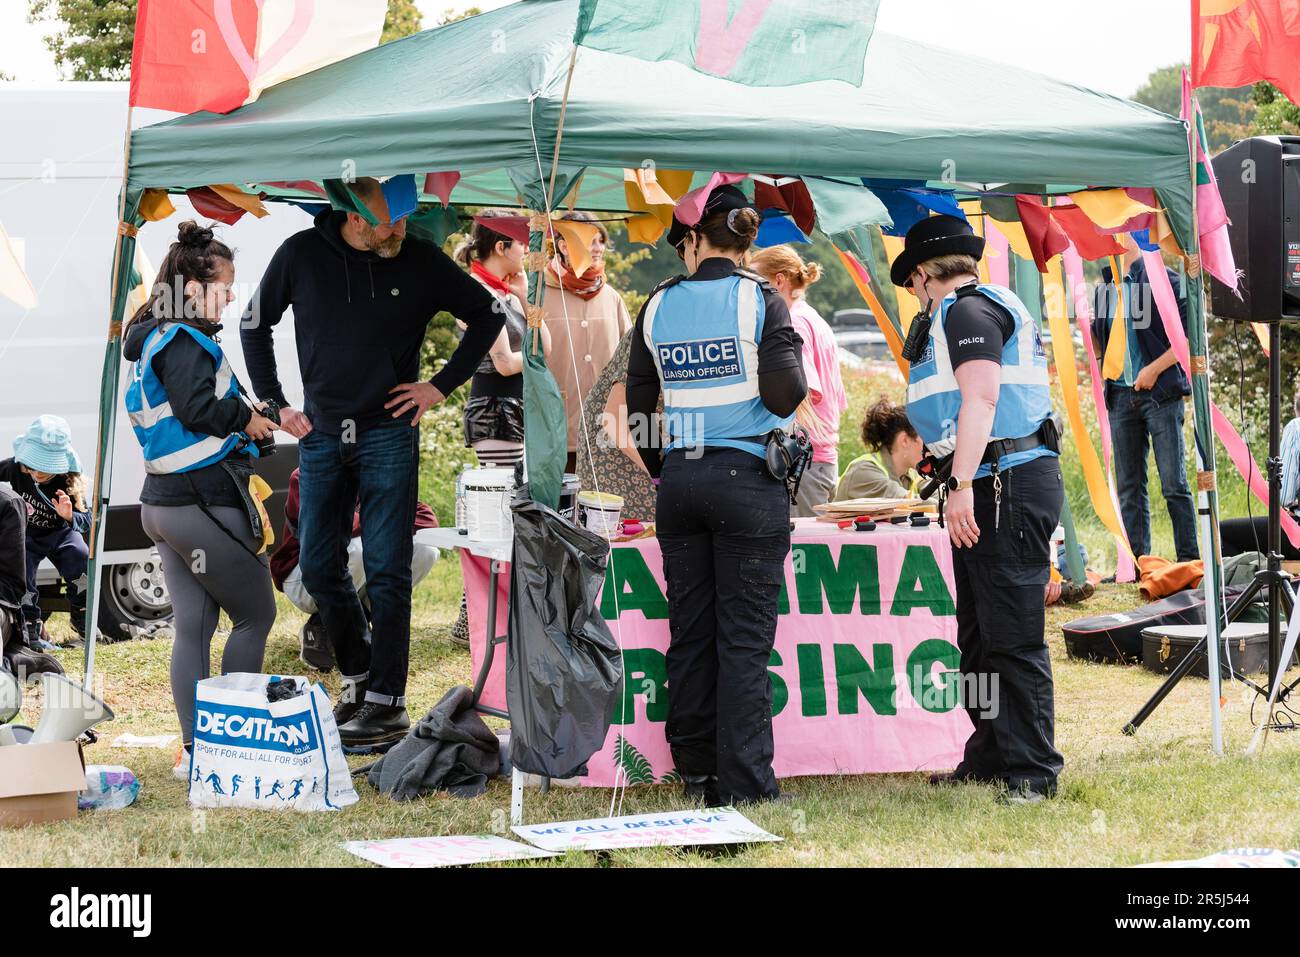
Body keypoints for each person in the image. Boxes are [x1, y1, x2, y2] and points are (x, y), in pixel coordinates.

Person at [242, 177, 502, 752]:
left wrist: (438, 386)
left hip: (389, 433)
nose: (401, 230)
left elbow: (488, 313)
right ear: (354, 217)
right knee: (317, 564)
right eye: (391, 221)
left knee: (388, 568)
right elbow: (254, 323)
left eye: (406, 218)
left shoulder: (419, 259)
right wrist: (273, 402)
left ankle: (387, 702)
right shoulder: (301, 254)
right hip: (320, 433)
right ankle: (361, 680)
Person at [626, 185, 807, 805]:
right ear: (746, 240)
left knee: (692, 634)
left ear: (697, 239)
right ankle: (747, 787)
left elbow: (640, 413)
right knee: (744, 640)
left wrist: (669, 470)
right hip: (747, 481)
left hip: (679, 481)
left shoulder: (656, 304)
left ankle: (696, 767)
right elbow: (785, 398)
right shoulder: (761, 300)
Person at [892, 214, 1064, 805]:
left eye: (912, 283)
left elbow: (983, 397)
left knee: (1011, 636)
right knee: (979, 635)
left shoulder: (965, 310)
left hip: (1001, 482)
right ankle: (991, 754)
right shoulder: (973, 307)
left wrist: (960, 481)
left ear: (920, 276)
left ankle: (1033, 772)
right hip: (991, 479)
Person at [122, 221, 279, 778]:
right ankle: (234, 746)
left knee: (194, 624)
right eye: (225, 285)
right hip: (201, 499)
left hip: (161, 506)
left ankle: (198, 753)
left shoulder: (156, 338)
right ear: (193, 288)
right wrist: (249, 419)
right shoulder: (185, 341)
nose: (232, 295)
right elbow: (196, 409)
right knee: (255, 614)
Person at [268, 468, 441, 670]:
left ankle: (360, 619)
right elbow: (335, 528)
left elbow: (428, 520)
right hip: (304, 576)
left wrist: (376, 520)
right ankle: (324, 622)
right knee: (356, 549)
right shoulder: (306, 475)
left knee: (425, 549)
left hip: (348, 565)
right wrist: (389, 517)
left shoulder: (381, 472)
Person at [1092, 235, 1198, 561]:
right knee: (1128, 487)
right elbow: (1100, 336)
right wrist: (1101, 364)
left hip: (1160, 394)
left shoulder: (1164, 280)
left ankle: (1189, 561)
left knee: (1173, 485)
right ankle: (1138, 564)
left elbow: (1189, 337)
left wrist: (1153, 369)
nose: (1114, 239)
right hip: (1121, 397)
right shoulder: (1104, 289)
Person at [750, 245, 848, 516]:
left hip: (804, 461)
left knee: (803, 554)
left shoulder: (793, 323)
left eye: (756, 281)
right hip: (821, 459)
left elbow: (800, 392)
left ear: (778, 280)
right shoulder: (814, 318)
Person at [457, 209, 551, 467]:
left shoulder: (505, 291)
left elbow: (547, 345)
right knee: (502, 500)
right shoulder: (478, 292)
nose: (527, 250)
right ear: (501, 247)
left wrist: (524, 296)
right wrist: (536, 358)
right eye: (522, 243)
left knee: (515, 499)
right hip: (495, 412)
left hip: (516, 408)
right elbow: (505, 363)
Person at [541, 211, 633, 472]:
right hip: (557, 432)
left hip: (607, 433)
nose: (598, 248)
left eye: (600, 241)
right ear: (562, 246)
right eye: (590, 241)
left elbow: (629, 361)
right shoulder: (538, 295)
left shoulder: (612, 297)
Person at [0, 415, 90, 648]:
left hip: (60, 534)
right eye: (34, 465)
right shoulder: (15, 468)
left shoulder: (69, 481)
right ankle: (31, 625)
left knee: (79, 553)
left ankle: (82, 618)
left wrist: (69, 515)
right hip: (28, 535)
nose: (38, 473)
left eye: (46, 468)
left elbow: (87, 520)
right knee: (22, 566)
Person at [575, 329, 658, 522]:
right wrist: (661, 474)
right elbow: (613, 420)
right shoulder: (651, 332)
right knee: (625, 536)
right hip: (615, 448)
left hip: (651, 438)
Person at [1220, 379, 1300, 559]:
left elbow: (1282, 497)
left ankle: (1242, 587)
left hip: (1298, 537)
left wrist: (1268, 485)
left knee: (1223, 532)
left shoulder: (1296, 427)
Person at [835, 399, 924, 501]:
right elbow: (908, 502)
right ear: (904, 440)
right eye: (924, 438)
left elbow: (938, 498)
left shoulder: (913, 474)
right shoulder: (864, 472)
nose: (929, 446)